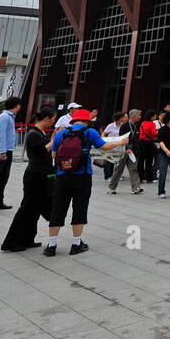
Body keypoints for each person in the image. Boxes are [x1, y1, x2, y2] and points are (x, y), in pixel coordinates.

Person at [44, 109, 130, 256]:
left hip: (62, 176)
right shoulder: (90, 132)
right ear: (87, 121)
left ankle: (51, 245)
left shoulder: (61, 133)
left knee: (57, 209)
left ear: (74, 120)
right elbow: (104, 146)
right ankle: (76, 244)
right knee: (80, 207)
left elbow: (54, 153)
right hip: (82, 176)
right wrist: (121, 142)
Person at [1, 108, 56, 252]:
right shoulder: (33, 134)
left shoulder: (42, 133)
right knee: (26, 208)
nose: (54, 122)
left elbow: (48, 150)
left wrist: (53, 138)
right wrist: (55, 139)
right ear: (46, 119)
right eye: (53, 119)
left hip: (43, 175)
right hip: (34, 176)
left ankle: (27, 239)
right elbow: (41, 151)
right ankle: (11, 242)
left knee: (35, 210)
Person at [107, 109, 143, 195]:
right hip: (124, 149)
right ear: (133, 116)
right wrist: (126, 148)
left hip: (133, 150)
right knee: (119, 169)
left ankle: (136, 188)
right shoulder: (124, 126)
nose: (140, 117)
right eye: (139, 115)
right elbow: (122, 138)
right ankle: (112, 187)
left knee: (133, 168)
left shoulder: (136, 125)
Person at [136, 109, 159, 183]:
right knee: (149, 161)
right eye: (155, 115)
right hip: (148, 143)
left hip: (140, 142)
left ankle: (140, 176)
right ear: (152, 116)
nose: (156, 117)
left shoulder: (143, 123)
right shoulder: (152, 124)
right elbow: (154, 134)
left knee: (140, 160)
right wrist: (159, 132)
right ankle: (149, 177)